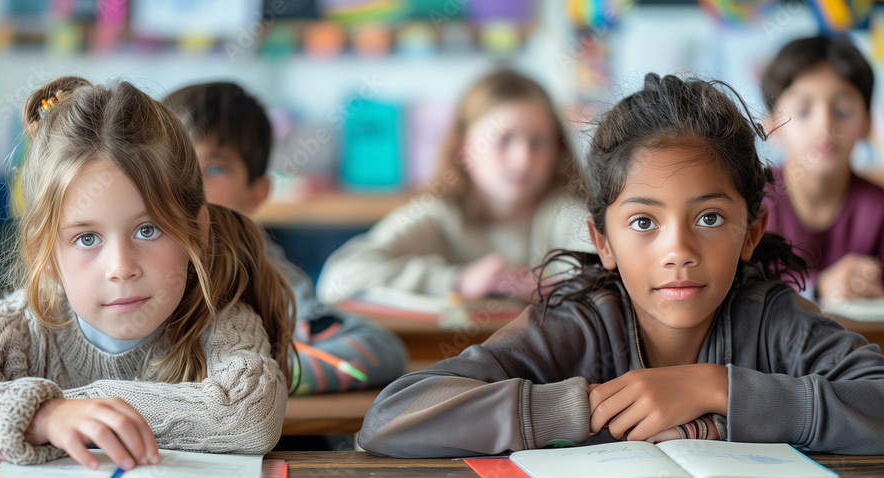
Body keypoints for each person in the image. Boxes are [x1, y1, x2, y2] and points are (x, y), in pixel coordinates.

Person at [359, 73, 884, 458]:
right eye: (642, 223)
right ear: (601, 241)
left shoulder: (772, 320)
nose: (678, 250)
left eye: (708, 217)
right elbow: (392, 418)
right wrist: (579, 408)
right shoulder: (575, 325)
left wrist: (713, 388)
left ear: (750, 233)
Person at [0, 76, 296, 471]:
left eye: (148, 229)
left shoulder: (218, 317)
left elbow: (250, 416)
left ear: (198, 230)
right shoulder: (13, 329)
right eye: (86, 238)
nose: (121, 268)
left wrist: (83, 406)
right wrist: (45, 418)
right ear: (45, 253)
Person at [164, 82, 407, 395]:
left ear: (257, 192)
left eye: (214, 167)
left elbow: (381, 352)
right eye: (174, 164)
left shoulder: (266, 271)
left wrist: (274, 375)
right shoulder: (127, 254)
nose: (190, 184)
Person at [316, 68, 591, 304]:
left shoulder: (565, 212)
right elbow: (338, 279)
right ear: (464, 147)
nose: (523, 160)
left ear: (558, 149)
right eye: (504, 140)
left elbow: (611, 276)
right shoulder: (438, 214)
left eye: (538, 142)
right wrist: (458, 280)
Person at [761, 35, 884, 302]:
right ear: (771, 127)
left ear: (867, 124)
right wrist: (818, 289)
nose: (825, 125)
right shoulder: (749, 204)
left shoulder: (879, 208)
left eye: (842, 111)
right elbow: (738, 295)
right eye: (804, 111)